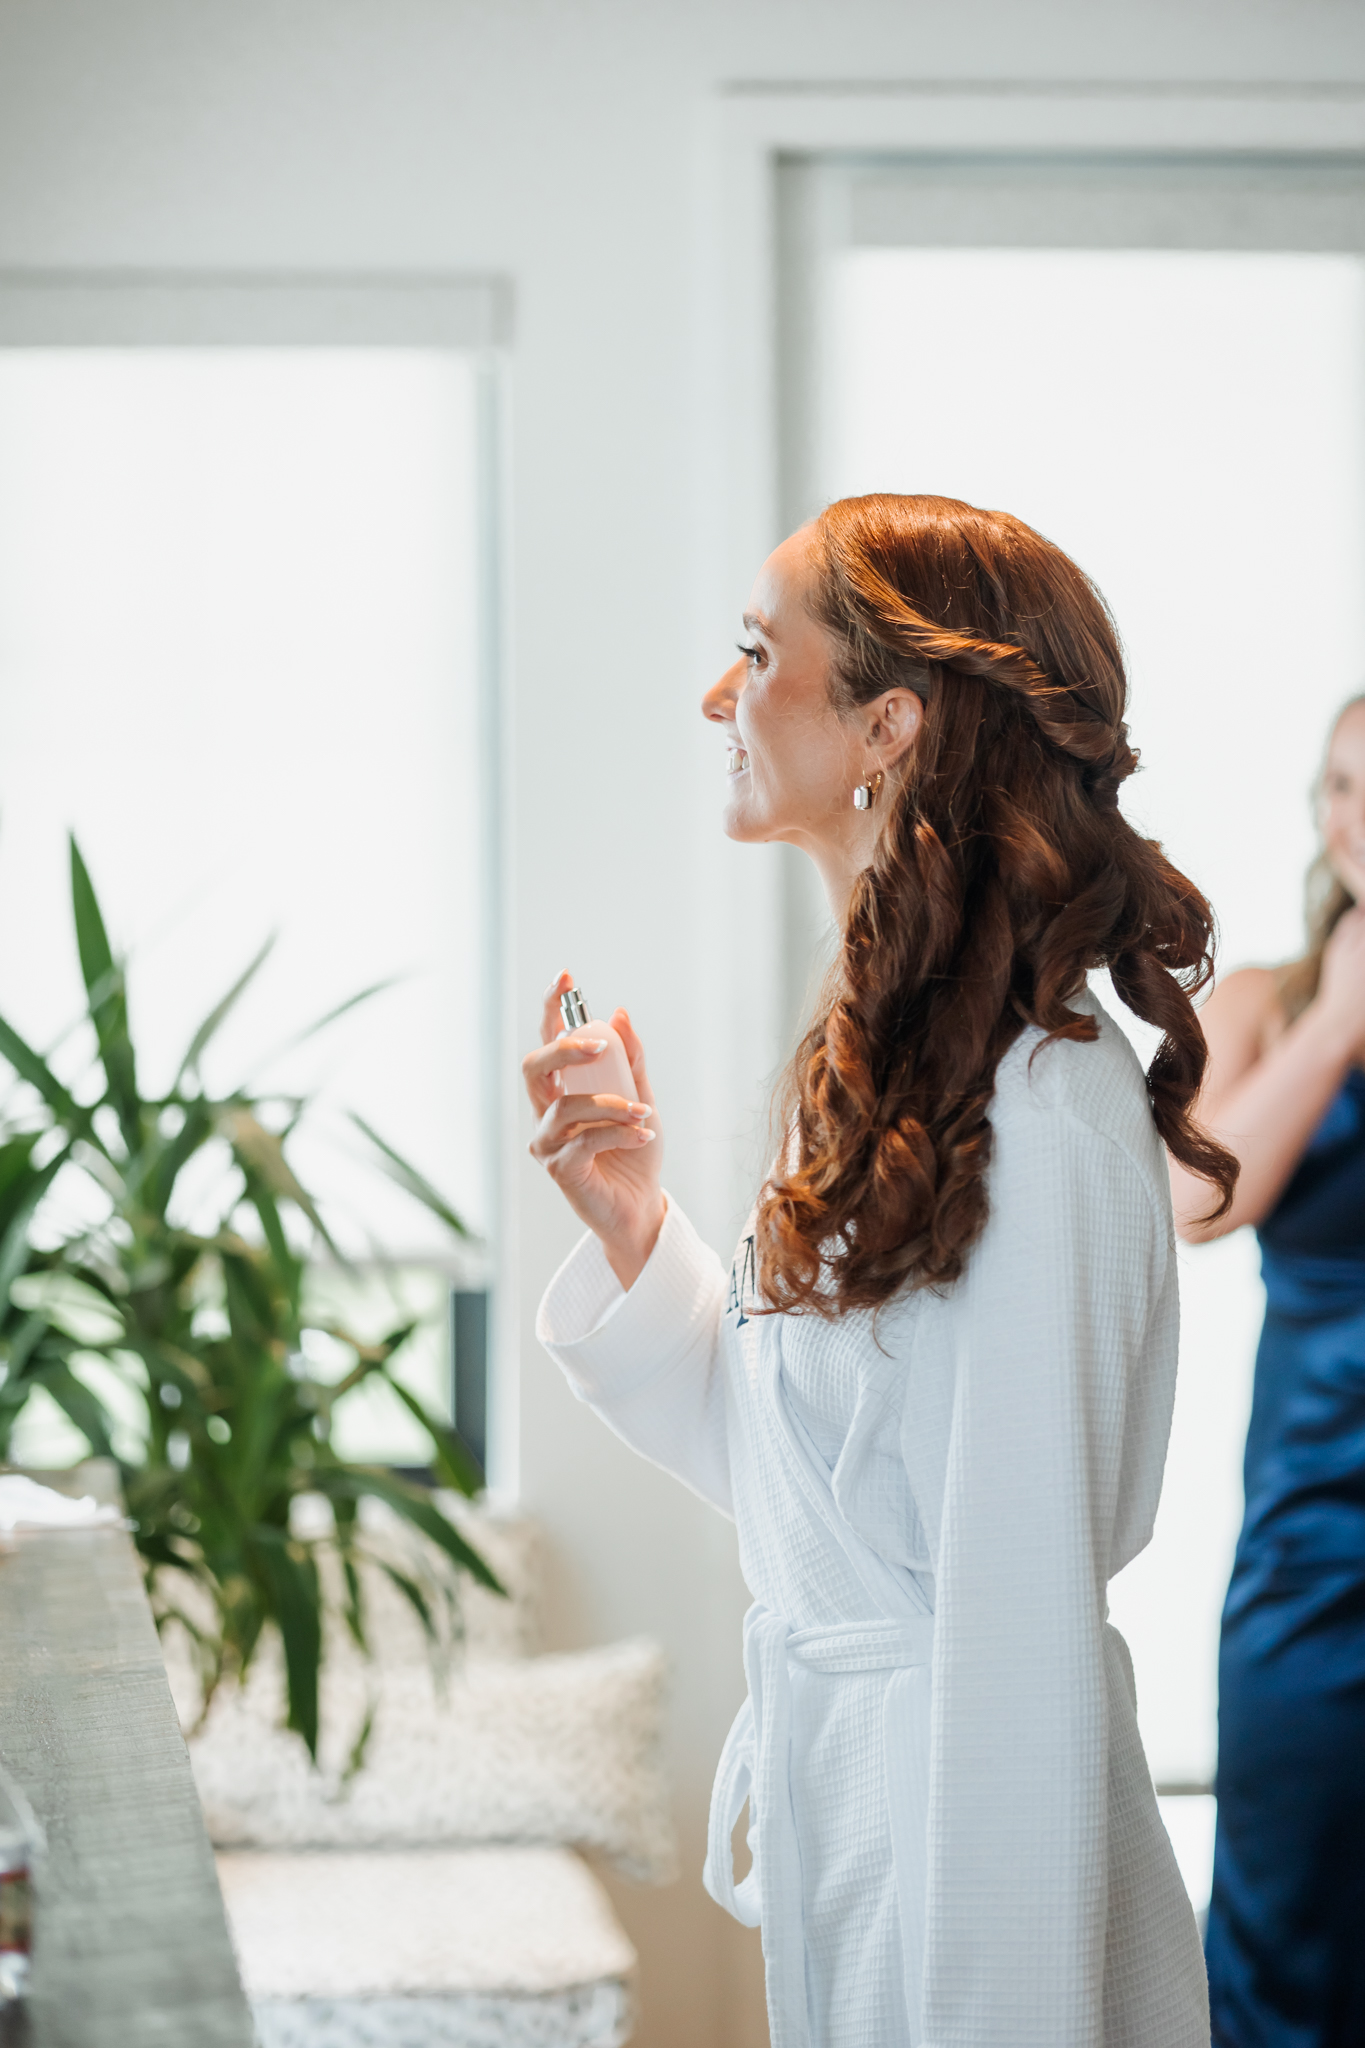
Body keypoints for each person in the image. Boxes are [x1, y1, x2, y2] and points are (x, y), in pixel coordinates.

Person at [527, 494, 1235, 2047]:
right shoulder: (895, 1072)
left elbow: (1012, 1625)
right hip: (871, 1824)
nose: (718, 697)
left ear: (885, 727)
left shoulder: (1039, 1117)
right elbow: (828, 1500)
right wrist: (638, 1229)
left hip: (977, 1865)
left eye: (754, 652)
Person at [1170, 696, 1365, 2047]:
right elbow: (1192, 1202)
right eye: (1339, 787)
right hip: (1315, 1548)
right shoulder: (1258, 1002)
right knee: (1284, 1913)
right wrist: (1337, 1016)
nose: (1354, 820)